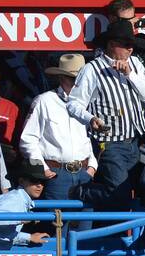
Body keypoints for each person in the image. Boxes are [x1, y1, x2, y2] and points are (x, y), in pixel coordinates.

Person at [67, 20, 145, 210]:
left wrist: (131, 75)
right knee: (119, 193)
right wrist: (90, 119)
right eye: (126, 45)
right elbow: (73, 103)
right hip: (110, 143)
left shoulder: (136, 64)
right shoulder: (92, 69)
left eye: (132, 45)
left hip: (136, 141)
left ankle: (122, 236)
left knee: (142, 191)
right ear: (112, 44)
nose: (131, 49)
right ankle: (82, 192)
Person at [19, 54, 97, 203]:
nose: (77, 84)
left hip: (84, 173)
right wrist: (43, 169)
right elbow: (27, 139)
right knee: (57, 224)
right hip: (56, 174)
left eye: (81, 80)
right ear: (61, 78)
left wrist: (92, 167)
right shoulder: (44, 101)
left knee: (85, 224)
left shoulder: (90, 103)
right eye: (73, 79)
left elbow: (92, 138)